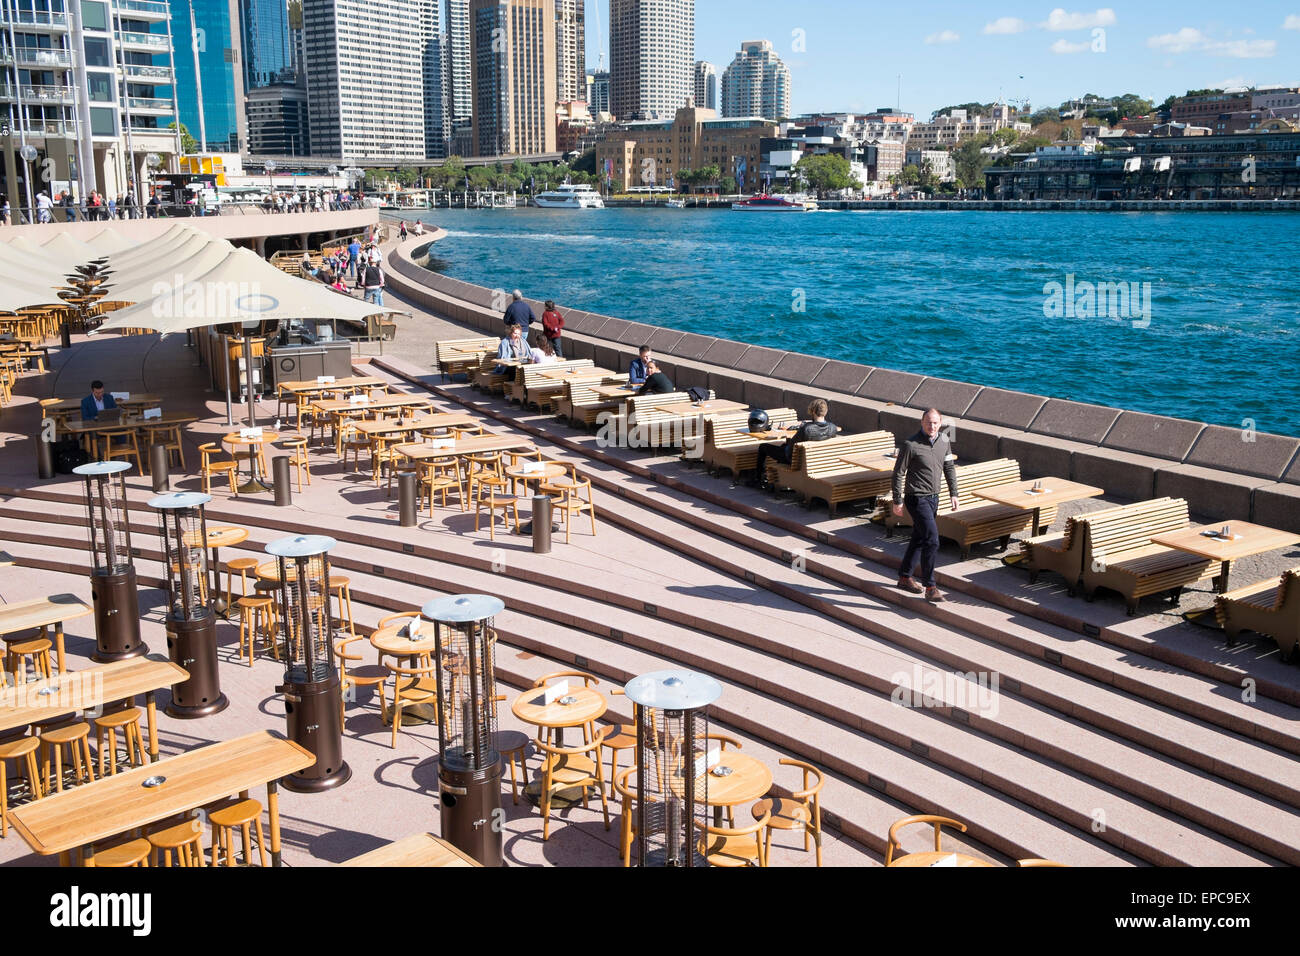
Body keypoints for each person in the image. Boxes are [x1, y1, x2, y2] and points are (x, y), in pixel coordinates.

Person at [891, 408, 959, 603]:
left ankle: (905, 577)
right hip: (916, 498)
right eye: (928, 422)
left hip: (934, 498)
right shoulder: (910, 444)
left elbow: (949, 468)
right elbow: (898, 473)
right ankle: (930, 586)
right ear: (922, 422)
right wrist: (898, 500)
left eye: (936, 423)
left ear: (940, 424)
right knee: (932, 539)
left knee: (920, 538)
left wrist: (954, 493)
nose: (932, 426)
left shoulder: (944, 442)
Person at [752, 399, 838, 487]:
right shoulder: (833, 428)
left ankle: (757, 479)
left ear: (813, 411)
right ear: (825, 411)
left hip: (797, 462)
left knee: (763, 447)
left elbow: (790, 449)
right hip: (818, 461)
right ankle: (776, 478)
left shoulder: (806, 429)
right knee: (783, 445)